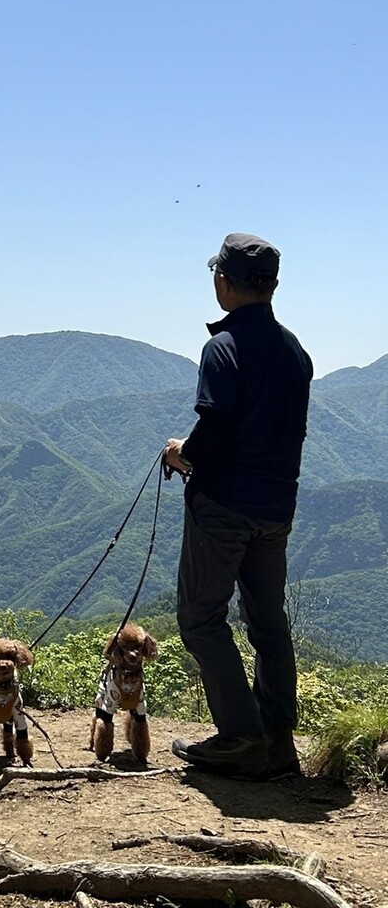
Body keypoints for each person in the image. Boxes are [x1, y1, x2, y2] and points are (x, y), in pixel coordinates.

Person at [164, 233, 313, 780]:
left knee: (201, 619)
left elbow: (217, 426)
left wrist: (182, 453)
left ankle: (240, 738)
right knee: (267, 620)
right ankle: (277, 737)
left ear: (224, 282)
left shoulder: (222, 349)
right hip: (277, 507)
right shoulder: (295, 351)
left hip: (224, 505)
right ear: (270, 286)